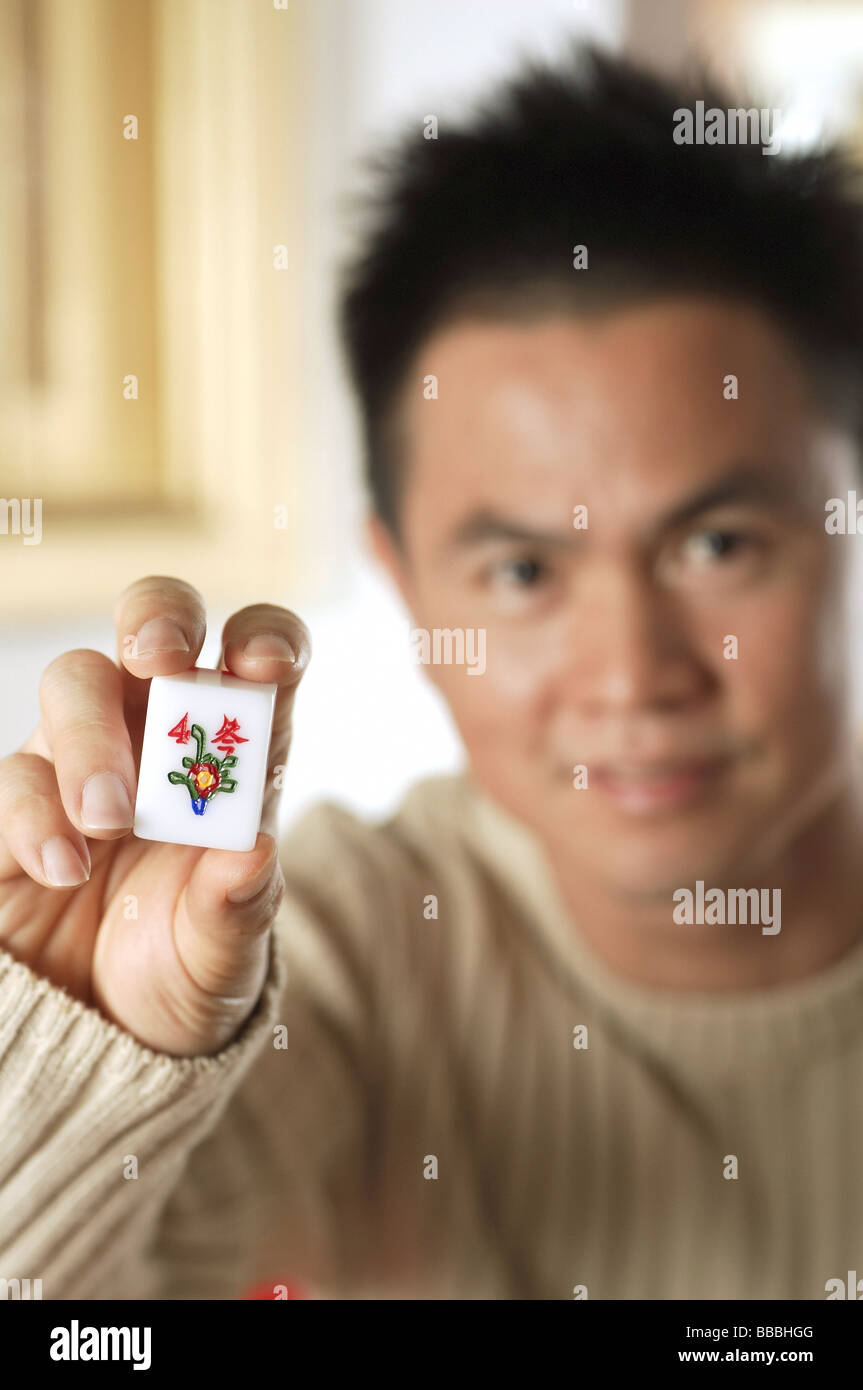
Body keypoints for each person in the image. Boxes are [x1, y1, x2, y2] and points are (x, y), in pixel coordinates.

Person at [3, 43, 863, 1301]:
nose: (629, 677)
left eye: (716, 544)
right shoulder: (328, 959)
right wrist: (75, 1062)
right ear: (403, 584)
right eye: (522, 573)